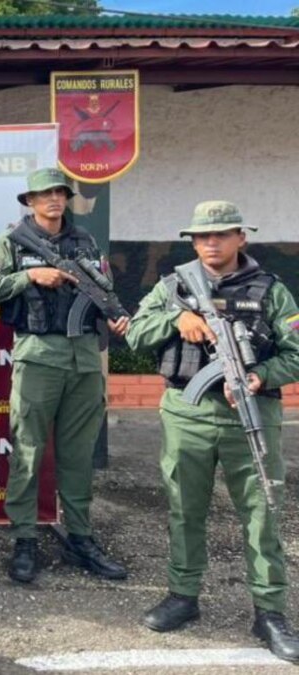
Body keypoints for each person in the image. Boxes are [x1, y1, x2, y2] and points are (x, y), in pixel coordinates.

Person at [124, 200, 299, 662]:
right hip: (188, 413)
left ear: (242, 237)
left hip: (252, 416)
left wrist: (263, 375)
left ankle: (270, 611)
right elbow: (135, 333)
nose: (210, 243)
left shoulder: (270, 290)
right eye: (202, 236)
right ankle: (183, 596)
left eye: (221, 234)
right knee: (185, 508)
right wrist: (175, 319)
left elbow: (296, 352)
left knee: (261, 511)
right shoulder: (174, 286)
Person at [0, 167, 128, 584]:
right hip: (38, 355)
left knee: (77, 454)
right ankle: (24, 538)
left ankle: (80, 536)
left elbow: (102, 286)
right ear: (30, 201)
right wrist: (29, 275)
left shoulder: (85, 242)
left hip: (83, 356)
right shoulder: (11, 242)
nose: (54, 200)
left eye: (59, 193)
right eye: (44, 195)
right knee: (27, 449)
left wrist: (114, 314)